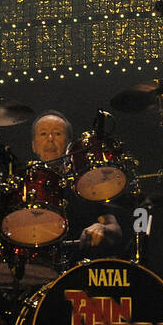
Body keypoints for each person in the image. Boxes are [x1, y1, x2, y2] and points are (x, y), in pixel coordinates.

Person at [30, 110, 125, 260]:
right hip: (34, 270)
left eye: (57, 134)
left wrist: (101, 228)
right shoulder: (21, 186)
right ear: (34, 145)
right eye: (43, 134)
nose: (50, 139)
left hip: (79, 269)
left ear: (69, 144)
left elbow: (115, 230)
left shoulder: (88, 184)